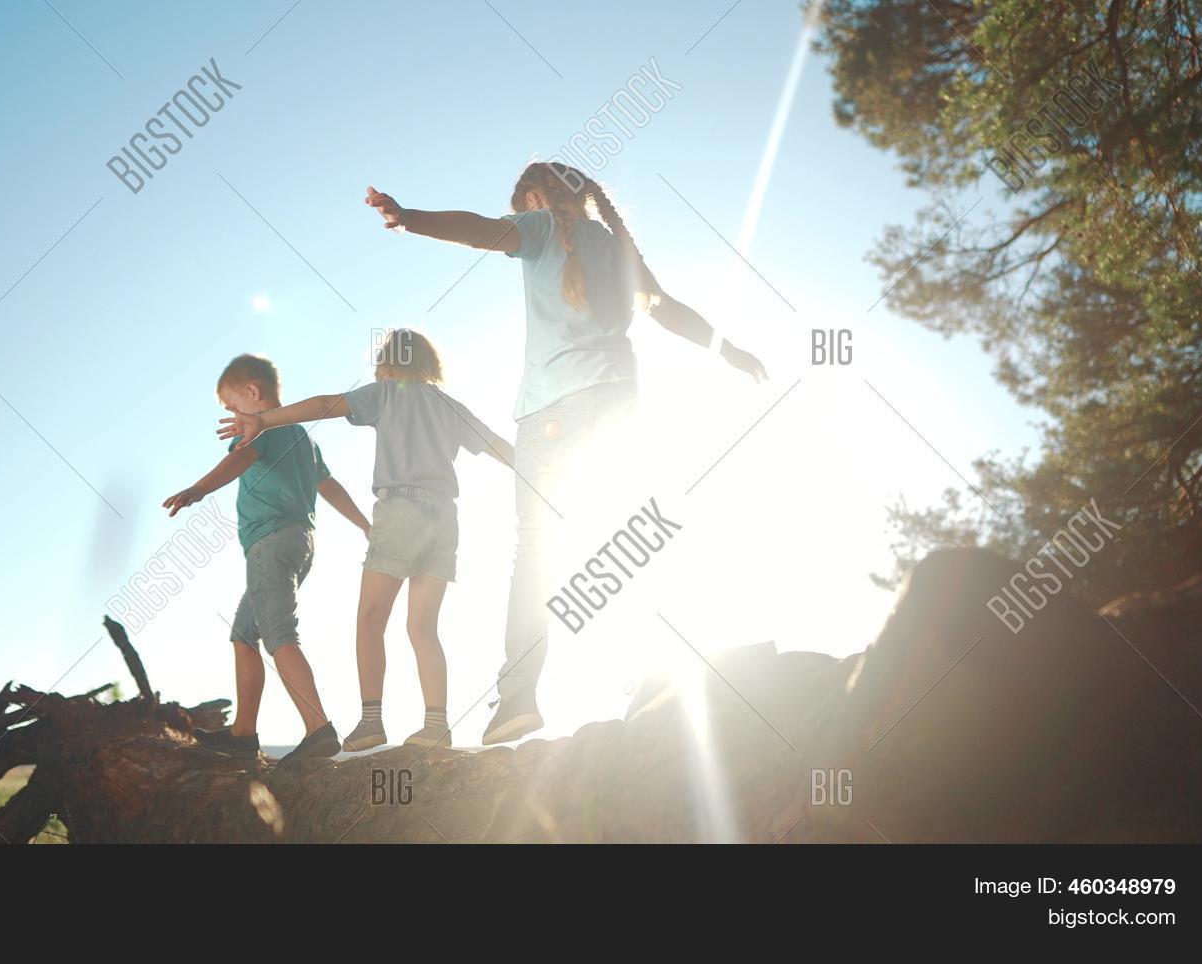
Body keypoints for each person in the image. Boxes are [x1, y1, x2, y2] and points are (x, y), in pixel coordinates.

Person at [364, 161, 768, 744]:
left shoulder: (540, 228)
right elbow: (669, 310)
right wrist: (729, 350)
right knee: (630, 536)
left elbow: (478, 230)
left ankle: (517, 698)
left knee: (537, 551)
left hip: (555, 411)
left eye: (521, 204)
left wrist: (409, 218)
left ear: (536, 198)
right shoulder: (618, 246)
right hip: (621, 403)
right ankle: (660, 672)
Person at [219, 329, 513, 750]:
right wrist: (533, 469)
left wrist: (265, 419)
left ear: (390, 365)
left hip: (401, 509)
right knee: (423, 627)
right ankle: (437, 726)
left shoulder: (389, 392)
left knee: (371, 620)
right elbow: (496, 445)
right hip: (445, 518)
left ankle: (372, 722)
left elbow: (326, 405)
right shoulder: (450, 405)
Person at [163, 353, 371, 762]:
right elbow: (329, 486)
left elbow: (241, 457)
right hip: (299, 541)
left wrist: (199, 488)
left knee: (279, 635)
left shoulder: (261, 427)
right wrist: (364, 524)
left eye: (232, 406)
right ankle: (243, 734)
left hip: (270, 542)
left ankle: (318, 728)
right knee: (244, 636)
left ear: (252, 392)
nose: (233, 415)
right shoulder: (303, 437)